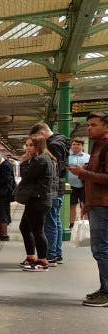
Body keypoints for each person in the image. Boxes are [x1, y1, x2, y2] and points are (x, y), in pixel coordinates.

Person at [67, 111, 108, 306]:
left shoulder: (106, 146)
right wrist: (88, 203)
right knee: (101, 248)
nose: (89, 128)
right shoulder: (98, 146)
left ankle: (107, 292)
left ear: (106, 126)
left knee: (101, 248)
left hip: (104, 205)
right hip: (97, 203)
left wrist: (82, 173)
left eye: (94, 125)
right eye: (89, 125)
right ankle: (104, 288)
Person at [13, 135, 55, 271]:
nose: (28, 148)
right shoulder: (41, 159)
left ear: (39, 146)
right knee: (25, 228)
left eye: (31, 145)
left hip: (38, 200)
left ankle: (42, 261)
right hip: (36, 199)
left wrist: (24, 162)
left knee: (37, 231)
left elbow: (27, 176)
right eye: (27, 145)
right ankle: (31, 257)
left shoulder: (40, 160)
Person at [30, 121, 69, 265]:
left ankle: (51, 254)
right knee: (56, 221)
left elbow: (53, 171)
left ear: (42, 133)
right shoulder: (61, 141)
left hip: (52, 189)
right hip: (58, 187)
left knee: (50, 223)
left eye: (36, 139)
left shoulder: (52, 145)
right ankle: (56, 253)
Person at [67, 137, 90, 226]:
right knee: (72, 205)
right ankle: (72, 224)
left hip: (84, 185)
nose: (76, 146)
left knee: (85, 205)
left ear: (82, 146)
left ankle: (85, 224)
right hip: (71, 185)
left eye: (78, 144)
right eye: (74, 144)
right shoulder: (67, 156)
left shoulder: (88, 157)